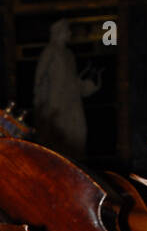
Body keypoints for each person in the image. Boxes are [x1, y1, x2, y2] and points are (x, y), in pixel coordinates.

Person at [32, 18, 100, 161]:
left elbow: (71, 79)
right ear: (59, 32)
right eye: (67, 30)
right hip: (56, 104)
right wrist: (41, 104)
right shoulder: (50, 51)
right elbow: (39, 78)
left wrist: (85, 85)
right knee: (57, 141)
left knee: (78, 135)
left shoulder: (69, 54)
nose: (69, 33)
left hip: (72, 102)